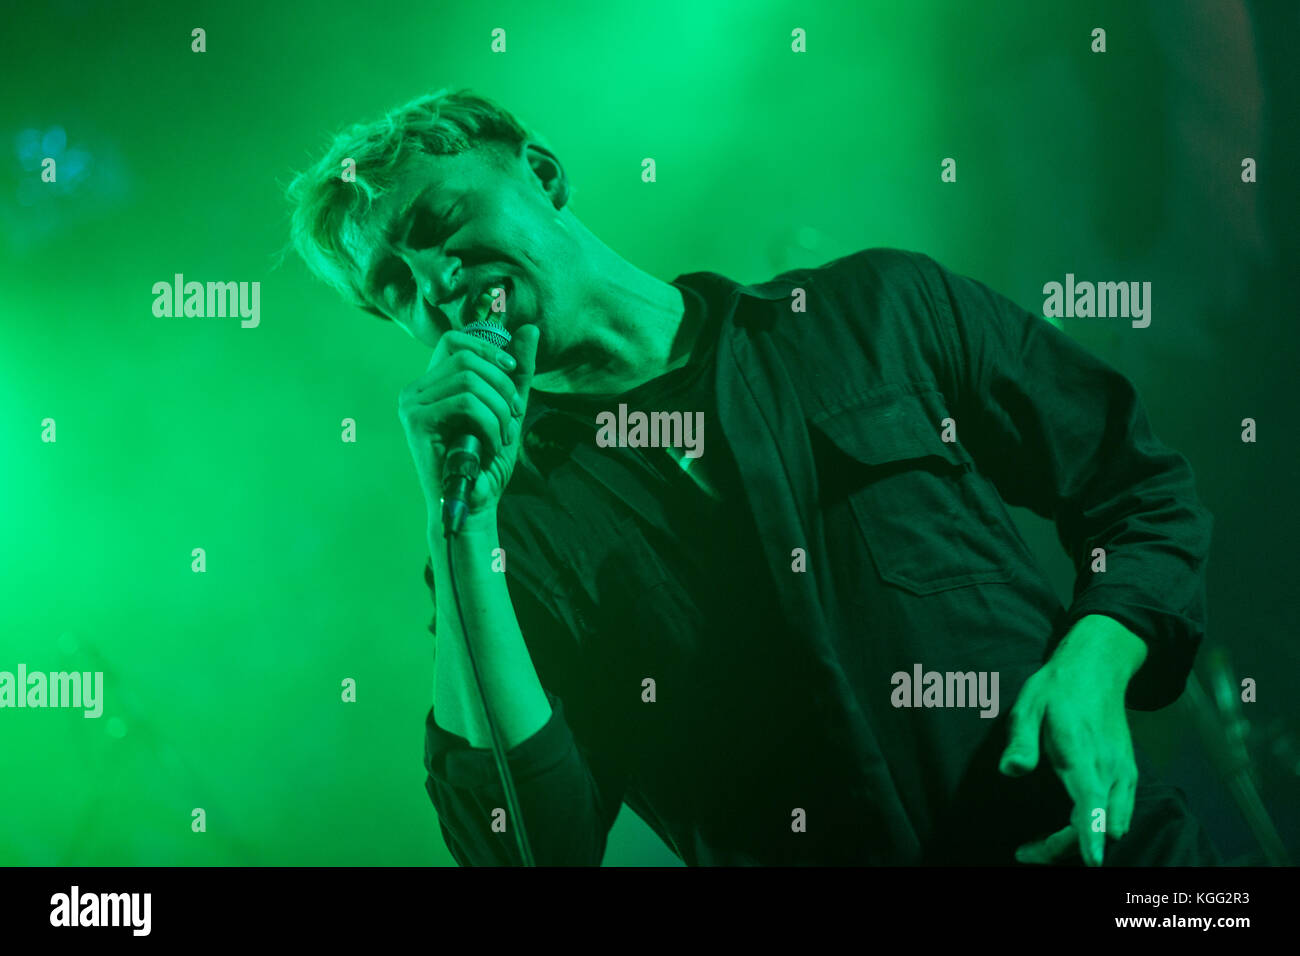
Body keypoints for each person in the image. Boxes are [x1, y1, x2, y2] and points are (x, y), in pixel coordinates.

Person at [286, 88, 1220, 866]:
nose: (432, 280)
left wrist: (1099, 659)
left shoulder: (873, 313)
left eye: (439, 222)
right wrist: (461, 533)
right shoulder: (510, 540)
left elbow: (1136, 486)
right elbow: (526, 846)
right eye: (394, 290)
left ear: (541, 172)